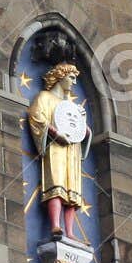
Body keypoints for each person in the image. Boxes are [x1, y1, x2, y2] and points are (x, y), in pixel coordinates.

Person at [27, 63, 91, 238]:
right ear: (60, 76)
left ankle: (70, 232)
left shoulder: (70, 106)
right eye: (71, 77)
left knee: (72, 189)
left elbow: (82, 132)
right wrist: (55, 133)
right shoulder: (45, 97)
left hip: (72, 151)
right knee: (57, 183)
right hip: (55, 147)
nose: (74, 82)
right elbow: (36, 116)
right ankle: (55, 225)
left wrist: (84, 127)